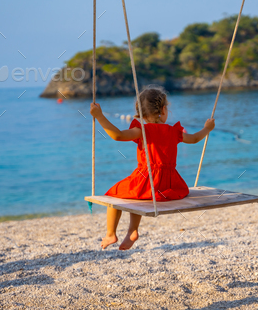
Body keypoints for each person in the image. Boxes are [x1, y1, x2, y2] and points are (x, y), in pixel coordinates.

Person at [89, 86, 215, 250]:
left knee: (114, 194)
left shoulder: (142, 130)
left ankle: (111, 234)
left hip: (146, 181)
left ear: (139, 113)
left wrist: (99, 116)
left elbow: (117, 135)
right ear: (163, 110)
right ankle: (132, 231)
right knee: (135, 195)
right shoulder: (173, 132)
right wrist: (207, 128)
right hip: (170, 185)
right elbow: (195, 138)